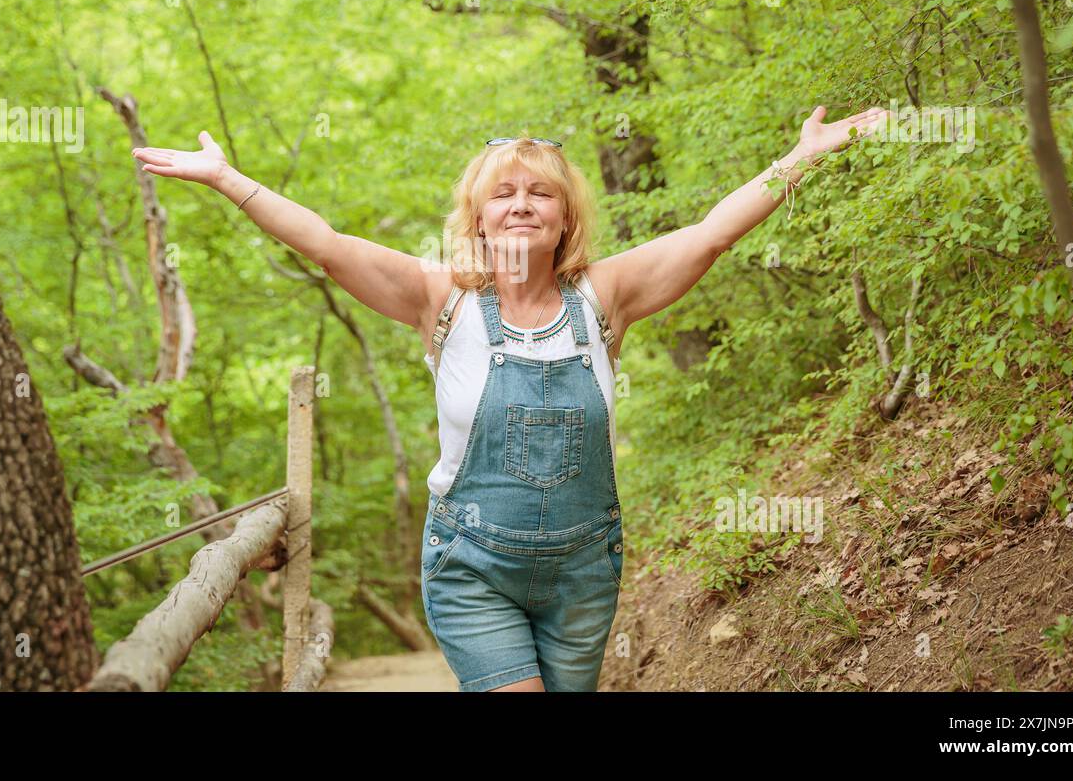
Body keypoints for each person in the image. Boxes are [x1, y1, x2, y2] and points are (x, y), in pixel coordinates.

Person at [132, 105, 887, 691]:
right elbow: (326, 243)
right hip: (471, 567)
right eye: (503, 193)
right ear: (480, 216)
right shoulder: (441, 300)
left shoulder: (605, 299)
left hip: (585, 571)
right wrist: (228, 179)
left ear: (564, 219)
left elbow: (711, 234)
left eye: (540, 193)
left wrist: (803, 156)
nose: (521, 204)